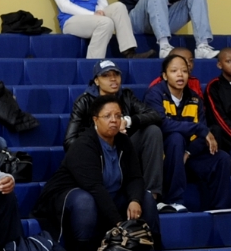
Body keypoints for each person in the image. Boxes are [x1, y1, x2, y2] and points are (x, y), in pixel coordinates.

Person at [32, 98, 159, 251]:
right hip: (68, 198)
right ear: (95, 120)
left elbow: (135, 177)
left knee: (145, 197)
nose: (114, 120)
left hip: (106, 196)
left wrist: (135, 200)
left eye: (118, 116)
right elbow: (94, 188)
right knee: (84, 201)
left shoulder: (124, 142)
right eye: (107, 116)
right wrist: (120, 225)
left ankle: (154, 248)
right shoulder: (83, 145)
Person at [65, 60, 164, 201]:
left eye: (116, 74)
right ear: (96, 81)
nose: (113, 79)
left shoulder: (126, 96)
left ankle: (151, 196)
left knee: (153, 131)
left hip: (125, 150)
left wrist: (126, 121)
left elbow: (156, 115)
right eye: (106, 75)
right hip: (98, 153)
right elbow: (69, 141)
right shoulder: (84, 101)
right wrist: (100, 136)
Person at [144, 54, 231, 213]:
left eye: (184, 71)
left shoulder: (195, 99)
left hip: (187, 157)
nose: (180, 75)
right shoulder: (155, 94)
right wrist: (198, 129)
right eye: (174, 71)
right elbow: (162, 124)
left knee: (222, 158)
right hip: (163, 160)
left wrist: (188, 152)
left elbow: (203, 135)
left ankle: (220, 208)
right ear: (165, 75)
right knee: (175, 138)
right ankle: (173, 200)